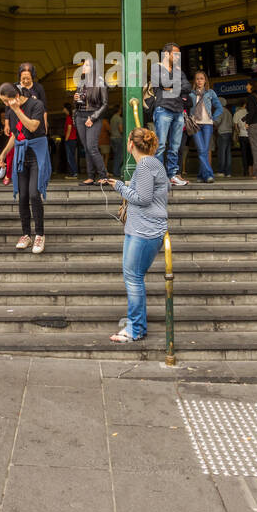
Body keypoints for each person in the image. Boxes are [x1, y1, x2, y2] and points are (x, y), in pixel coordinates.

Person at [108, 126, 169, 343]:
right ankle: (137, 324)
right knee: (133, 277)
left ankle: (135, 328)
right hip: (143, 228)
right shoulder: (151, 163)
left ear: (130, 144)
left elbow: (143, 198)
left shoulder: (145, 164)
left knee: (133, 278)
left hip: (145, 229)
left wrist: (119, 187)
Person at [0, 82, 51, 254]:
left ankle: (40, 235)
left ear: (16, 96)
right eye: (3, 102)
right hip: (21, 153)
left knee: (34, 194)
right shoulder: (10, 110)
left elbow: (33, 126)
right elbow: (15, 133)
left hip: (36, 153)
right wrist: (4, 153)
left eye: (7, 101)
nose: (6, 105)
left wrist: (17, 110)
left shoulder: (36, 105)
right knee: (23, 196)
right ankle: (26, 234)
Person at [149, 42, 192, 187]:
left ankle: (173, 175)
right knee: (160, 145)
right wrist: (176, 84)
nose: (178, 57)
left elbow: (187, 87)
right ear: (166, 54)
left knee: (175, 146)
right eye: (175, 54)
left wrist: (171, 87)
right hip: (163, 109)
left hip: (178, 110)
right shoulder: (156, 68)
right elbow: (163, 82)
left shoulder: (180, 71)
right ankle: (160, 177)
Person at [74, 57, 110, 185]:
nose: (84, 67)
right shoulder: (81, 82)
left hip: (94, 116)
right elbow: (78, 103)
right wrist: (76, 98)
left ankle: (103, 175)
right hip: (80, 116)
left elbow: (105, 104)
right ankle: (90, 177)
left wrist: (93, 118)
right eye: (84, 65)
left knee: (92, 147)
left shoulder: (100, 82)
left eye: (87, 65)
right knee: (86, 148)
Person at [186, 70, 224, 184]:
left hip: (207, 125)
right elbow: (186, 108)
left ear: (205, 80)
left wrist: (213, 117)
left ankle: (201, 175)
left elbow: (219, 108)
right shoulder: (191, 94)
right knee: (201, 150)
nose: (199, 81)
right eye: (197, 79)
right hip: (195, 125)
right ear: (195, 81)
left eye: (201, 78)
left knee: (205, 150)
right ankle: (209, 175)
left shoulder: (210, 92)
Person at [214, 96, 233, 177]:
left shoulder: (220, 111)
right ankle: (228, 172)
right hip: (229, 133)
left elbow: (216, 122)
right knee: (228, 153)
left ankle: (221, 171)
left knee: (221, 153)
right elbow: (232, 124)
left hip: (222, 134)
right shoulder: (228, 112)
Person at [61, 103, 79, 177]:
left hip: (70, 139)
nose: (63, 110)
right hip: (73, 139)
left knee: (70, 157)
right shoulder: (73, 117)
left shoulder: (69, 117)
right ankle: (73, 172)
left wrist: (66, 139)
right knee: (71, 156)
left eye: (63, 108)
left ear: (66, 109)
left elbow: (69, 128)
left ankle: (73, 173)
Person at [233, 102, 250, 176]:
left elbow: (235, 126)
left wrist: (238, 132)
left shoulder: (237, 113)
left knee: (244, 154)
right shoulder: (249, 112)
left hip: (242, 136)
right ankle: (251, 170)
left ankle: (245, 171)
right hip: (250, 135)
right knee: (250, 154)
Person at [109, 106, 125, 178]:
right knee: (119, 156)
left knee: (116, 155)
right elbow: (121, 130)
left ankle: (115, 171)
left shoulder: (112, 118)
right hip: (118, 138)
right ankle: (117, 172)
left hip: (112, 138)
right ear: (119, 110)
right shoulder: (119, 118)